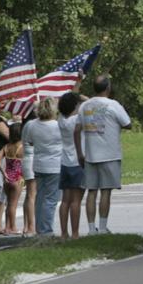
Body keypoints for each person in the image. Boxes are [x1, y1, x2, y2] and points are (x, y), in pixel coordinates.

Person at [76, 74, 131, 234]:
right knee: (106, 191)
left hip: (90, 154)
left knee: (91, 191)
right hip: (110, 153)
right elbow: (128, 124)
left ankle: (91, 229)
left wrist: (80, 152)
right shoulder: (113, 105)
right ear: (108, 88)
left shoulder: (85, 106)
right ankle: (102, 226)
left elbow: (77, 129)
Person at [24, 97, 63, 237]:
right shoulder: (58, 125)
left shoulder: (31, 125)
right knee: (51, 199)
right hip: (55, 165)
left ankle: (40, 228)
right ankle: (46, 230)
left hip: (38, 164)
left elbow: (28, 142)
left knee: (40, 197)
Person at [57, 90, 87, 239]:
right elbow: (91, 102)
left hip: (64, 162)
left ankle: (64, 233)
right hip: (77, 161)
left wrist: (76, 87)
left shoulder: (61, 119)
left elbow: (71, 98)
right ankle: (75, 233)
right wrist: (80, 96)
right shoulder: (78, 119)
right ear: (75, 105)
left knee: (65, 200)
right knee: (76, 201)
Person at [0, 124, 25, 235]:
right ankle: (13, 227)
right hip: (17, 179)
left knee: (8, 204)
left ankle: (7, 227)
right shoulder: (21, 147)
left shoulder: (6, 146)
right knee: (13, 205)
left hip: (7, 178)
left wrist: (3, 173)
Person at [20, 110, 37, 237]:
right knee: (32, 195)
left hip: (26, 159)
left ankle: (26, 225)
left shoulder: (25, 125)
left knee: (28, 195)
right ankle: (31, 226)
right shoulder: (32, 125)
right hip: (32, 159)